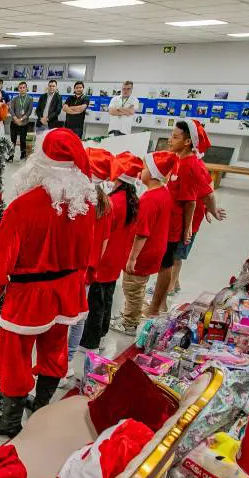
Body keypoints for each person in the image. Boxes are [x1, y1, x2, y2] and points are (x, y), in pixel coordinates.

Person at [0, 129, 97, 437]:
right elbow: (90, 253)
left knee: (13, 357)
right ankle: (41, 410)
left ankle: (10, 421)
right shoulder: (85, 205)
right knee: (55, 351)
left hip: (28, 295)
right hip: (66, 292)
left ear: (40, 163)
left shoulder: (23, 206)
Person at [147, 119, 226, 316]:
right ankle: (161, 302)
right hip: (172, 220)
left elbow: (198, 197)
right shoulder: (179, 159)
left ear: (188, 141)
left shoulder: (190, 165)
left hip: (178, 224)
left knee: (168, 263)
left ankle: (156, 307)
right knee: (167, 262)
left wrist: (189, 226)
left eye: (175, 137)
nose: (169, 140)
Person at [80, 152, 143, 351]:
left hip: (104, 260)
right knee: (107, 298)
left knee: (95, 303)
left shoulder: (113, 203)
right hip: (117, 258)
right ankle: (102, 332)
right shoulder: (131, 199)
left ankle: (90, 341)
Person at [111, 150, 176, 335]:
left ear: (153, 173)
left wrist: (131, 259)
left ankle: (130, 323)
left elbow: (142, 234)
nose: (142, 171)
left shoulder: (149, 199)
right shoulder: (163, 192)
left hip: (143, 253)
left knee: (132, 287)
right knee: (138, 286)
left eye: (145, 168)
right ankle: (129, 315)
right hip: (156, 250)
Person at [66, 148, 113, 370]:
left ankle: (61, 363)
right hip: (88, 270)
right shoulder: (106, 204)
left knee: (62, 319)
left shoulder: (78, 201)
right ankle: (69, 360)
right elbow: (104, 242)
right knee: (78, 318)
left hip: (72, 268)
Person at [8, 81, 34, 160]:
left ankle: (23, 155)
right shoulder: (15, 98)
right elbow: (11, 109)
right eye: (20, 88)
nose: (22, 89)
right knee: (12, 140)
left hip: (24, 123)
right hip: (14, 123)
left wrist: (21, 119)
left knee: (23, 140)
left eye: (23, 88)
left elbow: (29, 111)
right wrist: (16, 119)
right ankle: (11, 155)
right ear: (18, 89)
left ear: (26, 89)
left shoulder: (30, 99)